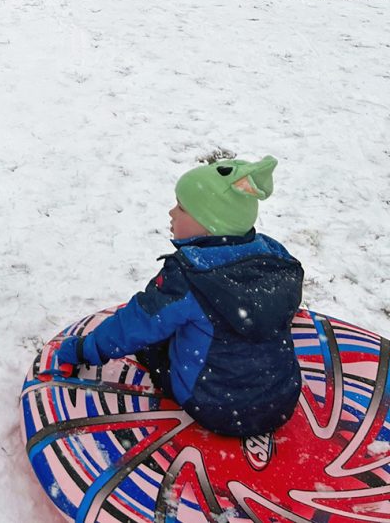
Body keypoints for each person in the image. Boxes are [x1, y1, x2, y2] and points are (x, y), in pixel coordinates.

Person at [54, 157, 301, 439]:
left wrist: (84, 350)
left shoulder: (189, 278)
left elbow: (135, 325)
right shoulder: (277, 259)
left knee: (155, 339)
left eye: (182, 207)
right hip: (281, 399)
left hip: (214, 405)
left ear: (210, 225)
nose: (172, 213)